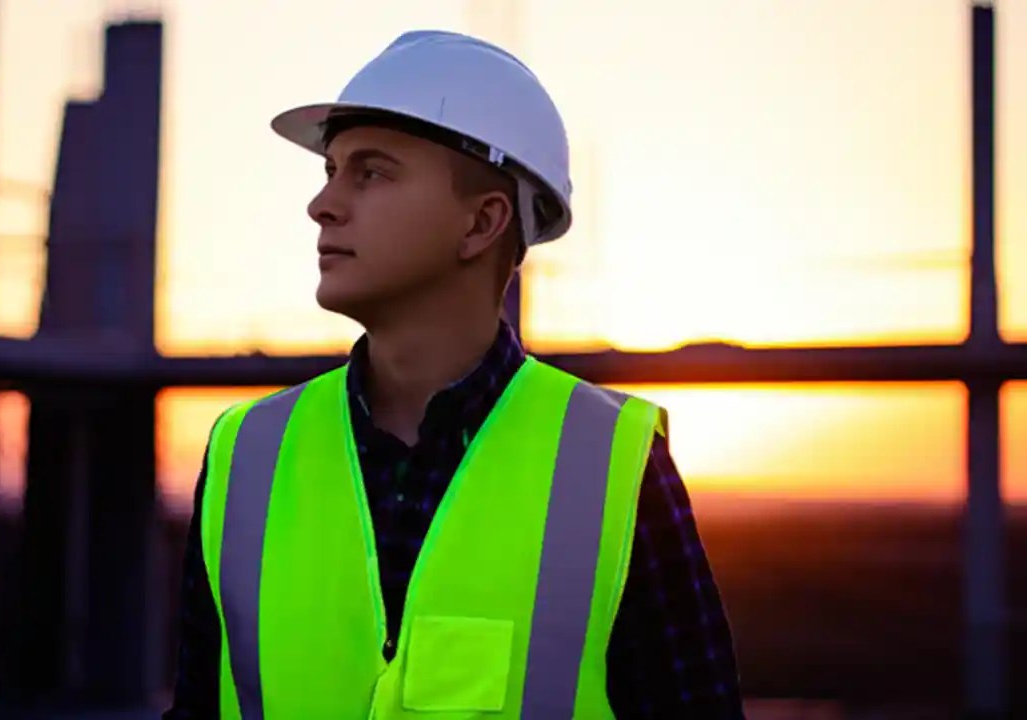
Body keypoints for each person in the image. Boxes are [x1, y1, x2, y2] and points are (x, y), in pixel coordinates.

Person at [164, 30, 743, 719]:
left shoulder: (609, 463)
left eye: (371, 173)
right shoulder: (247, 456)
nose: (323, 205)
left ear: (481, 223)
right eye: (332, 171)